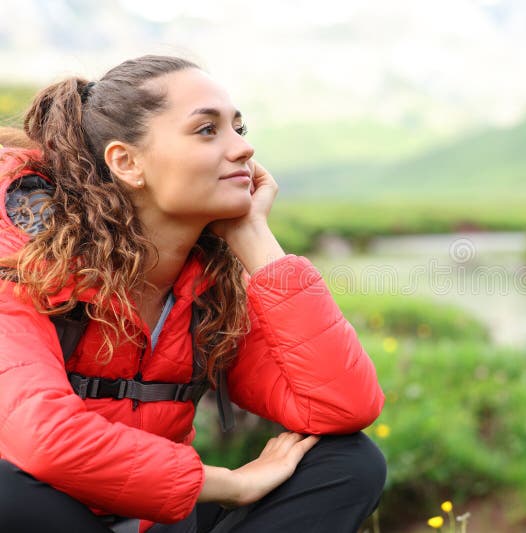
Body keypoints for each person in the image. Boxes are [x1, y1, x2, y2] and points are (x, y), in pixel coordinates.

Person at [0, 55, 386, 533]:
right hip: (50, 513)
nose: (242, 149)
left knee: (348, 462)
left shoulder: (209, 290)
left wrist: (255, 239)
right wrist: (228, 484)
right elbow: (44, 441)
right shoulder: (21, 269)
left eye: (239, 129)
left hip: (155, 519)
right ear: (127, 162)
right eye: (208, 130)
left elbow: (342, 408)